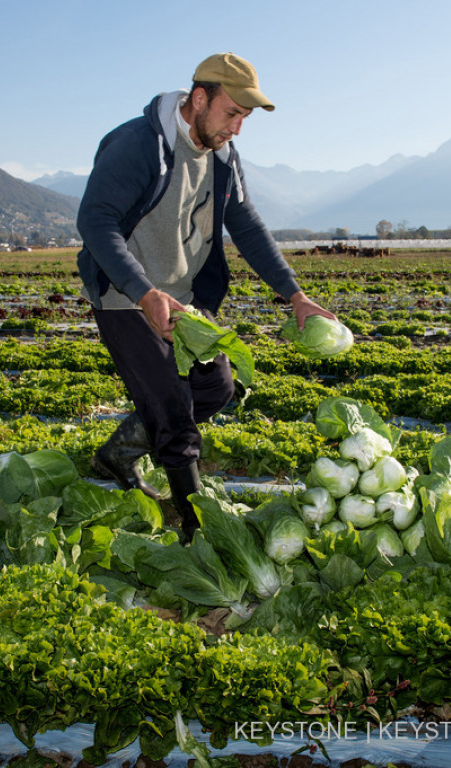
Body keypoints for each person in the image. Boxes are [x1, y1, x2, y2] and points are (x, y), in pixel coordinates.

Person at [76, 52, 335, 543]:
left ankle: (121, 451)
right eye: (232, 113)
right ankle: (198, 532)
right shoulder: (139, 143)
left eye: (245, 118)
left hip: (185, 297)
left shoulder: (222, 157)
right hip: (126, 295)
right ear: (199, 99)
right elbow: (95, 221)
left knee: (216, 389)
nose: (237, 127)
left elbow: (248, 227)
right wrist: (143, 292)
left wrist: (295, 296)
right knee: (174, 416)